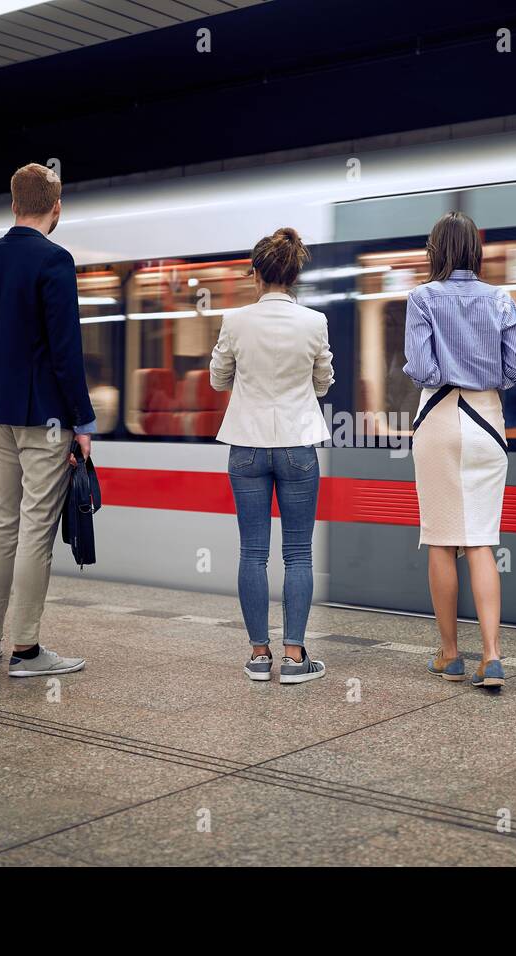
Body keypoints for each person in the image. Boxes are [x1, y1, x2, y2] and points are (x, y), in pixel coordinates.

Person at [0, 163, 96, 677]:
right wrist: (82, 422)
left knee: (3, 526)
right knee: (36, 530)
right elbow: (66, 351)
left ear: (13, 203)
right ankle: (26, 651)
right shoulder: (55, 260)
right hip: (45, 417)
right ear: (56, 207)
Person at [403, 211, 516, 688]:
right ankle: (493, 658)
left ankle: (450, 654)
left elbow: (423, 370)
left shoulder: (421, 298)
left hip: (439, 419)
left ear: (436, 251)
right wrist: (484, 377)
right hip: (487, 424)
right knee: (480, 539)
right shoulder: (501, 299)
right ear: (475, 251)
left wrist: (451, 367)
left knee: (441, 539)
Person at [210, 227, 334, 685]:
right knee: (298, 553)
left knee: (253, 553)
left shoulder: (235, 320)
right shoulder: (314, 322)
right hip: (299, 445)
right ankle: (296, 656)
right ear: (294, 275)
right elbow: (323, 382)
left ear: (257, 274)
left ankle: (259, 656)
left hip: (247, 446)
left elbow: (219, 379)